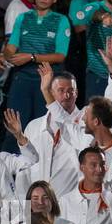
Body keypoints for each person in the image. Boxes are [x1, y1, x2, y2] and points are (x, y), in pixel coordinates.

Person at [1, 0, 70, 130]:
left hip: (48, 80)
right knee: (15, 125)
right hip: (22, 77)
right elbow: (11, 47)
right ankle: (13, 154)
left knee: (44, 128)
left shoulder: (61, 20)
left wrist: (31, 57)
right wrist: (6, 56)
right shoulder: (23, 18)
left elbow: (60, 56)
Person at [23, 66, 90, 198]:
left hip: (72, 204)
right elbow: (26, 167)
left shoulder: (85, 123)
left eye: (71, 90)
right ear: (51, 93)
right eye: (61, 90)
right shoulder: (33, 126)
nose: (67, 95)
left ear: (77, 93)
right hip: (38, 203)